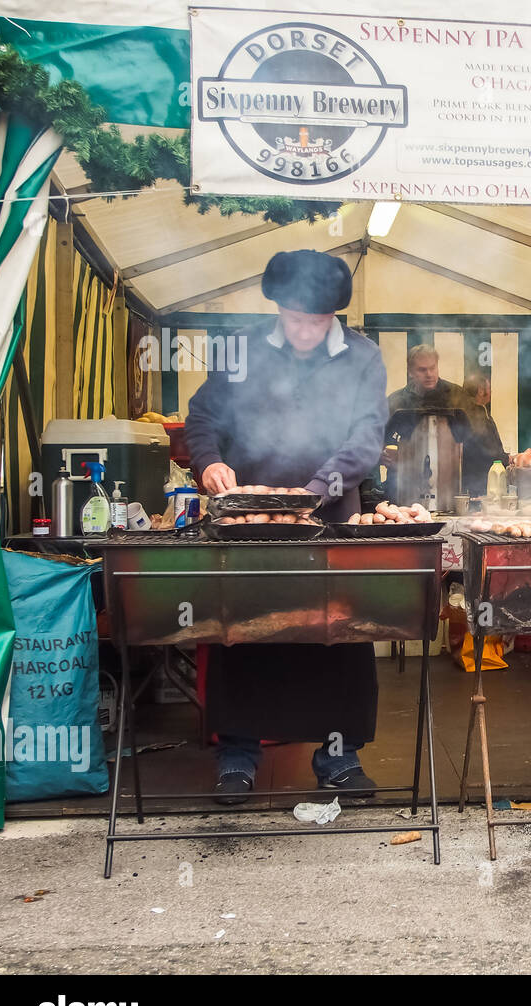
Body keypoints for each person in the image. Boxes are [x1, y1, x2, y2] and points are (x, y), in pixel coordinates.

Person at [185, 249, 387, 803]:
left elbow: (367, 437)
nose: (303, 331)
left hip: (331, 520)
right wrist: (209, 464)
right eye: (294, 318)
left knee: (338, 634)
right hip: (248, 520)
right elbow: (202, 419)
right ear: (276, 308)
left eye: (316, 322)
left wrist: (318, 489)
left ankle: (339, 758)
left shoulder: (363, 357)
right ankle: (237, 756)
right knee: (245, 632)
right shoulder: (244, 349)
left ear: (334, 317)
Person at [385, 345, 502, 495]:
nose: (429, 374)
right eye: (422, 370)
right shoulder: (396, 402)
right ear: (410, 371)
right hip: (403, 488)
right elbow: (376, 441)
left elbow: (479, 438)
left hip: (452, 486)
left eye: (432, 368)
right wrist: (382, 455)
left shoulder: (457, 396)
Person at [462, 370, 508, 493]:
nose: (491, 392)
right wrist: (508, 459)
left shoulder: (461, 412)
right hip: (482, 484)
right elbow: (490, 452)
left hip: (464, 483)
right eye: (489, 388)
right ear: (481, 390)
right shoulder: (479, 415)